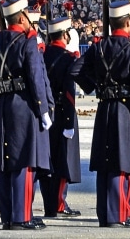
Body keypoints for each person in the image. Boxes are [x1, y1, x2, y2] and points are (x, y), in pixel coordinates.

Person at [0, 0, 54, 231]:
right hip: (24, 105)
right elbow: (35, 77)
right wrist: (43, 110)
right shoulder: (27, 41)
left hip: (3, 103)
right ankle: (21, 216)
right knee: (23, 161)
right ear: (21, 17)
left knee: (5, 162)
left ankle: (8, 217)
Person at [75, 0, 130, 228]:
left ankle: (106, 214)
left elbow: (76, 70)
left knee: (105, 164)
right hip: (126, 109)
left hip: (105, 108)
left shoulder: (99, 47)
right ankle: (117, 216)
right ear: (128, 22)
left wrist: (96, 87)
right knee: (121, 163)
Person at [40, 15, 84, 219]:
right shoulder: (67, 58)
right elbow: (68, 92)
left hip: (43, 112)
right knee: (61, 160)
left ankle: (48, 203)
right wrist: (68, 120)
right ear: (65, 34)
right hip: (60, 112)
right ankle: (57, 203)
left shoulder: (41, 54)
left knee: (46, 160)